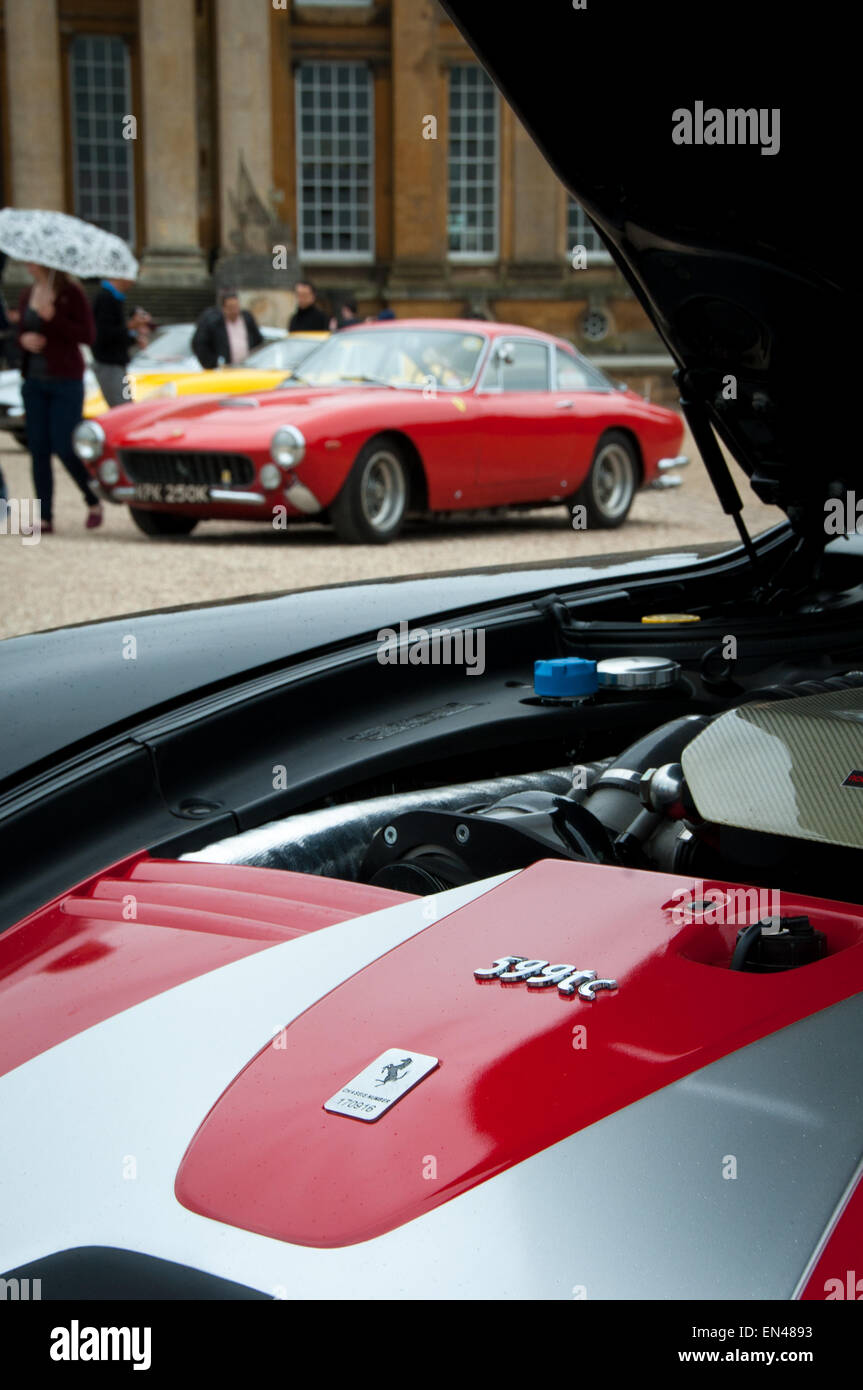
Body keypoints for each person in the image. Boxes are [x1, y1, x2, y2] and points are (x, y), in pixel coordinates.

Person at [17, 263, 101, 534]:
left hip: (66, 381)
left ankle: (92, 497)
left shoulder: (71, 294)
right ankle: (44, 517)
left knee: (65, 446)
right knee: (38, 450)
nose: (27, 263)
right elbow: (20, 331)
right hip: (34, 381)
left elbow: (88, 336)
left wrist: (54, 317)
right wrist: (24, 339)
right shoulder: (27, 293)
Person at [91, 278, 152, 408]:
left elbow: (116, 335)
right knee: (123, 408)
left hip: (116, 365)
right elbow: (104, 335)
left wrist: (133, 338)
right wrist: (131, 326)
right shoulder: (106, 298)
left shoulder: (114, 298)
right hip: (109, 365)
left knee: (126, 404)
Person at [192, 289, 263, 370]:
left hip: (247, 368)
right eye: (230, 308)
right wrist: (213, 363)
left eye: (236, 307)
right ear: (223, 308)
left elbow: (258, 341)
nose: (234, 311)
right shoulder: (213, 322)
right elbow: (199, 344)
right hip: (224, 371)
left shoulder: (247, 319)